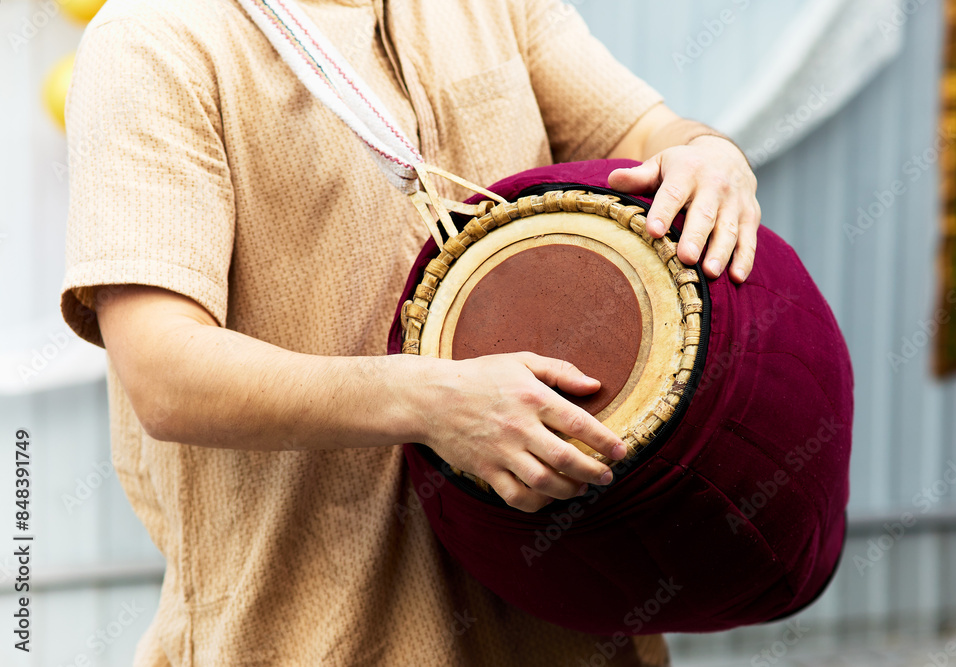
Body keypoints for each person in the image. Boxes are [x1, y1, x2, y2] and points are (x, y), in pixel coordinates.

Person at [61, 0, 760, 664]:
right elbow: (164, 374)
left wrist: (705, 151)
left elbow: (646, 135)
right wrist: (433, 402)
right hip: (313, 640)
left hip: (575, 631)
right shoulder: (154, 41)